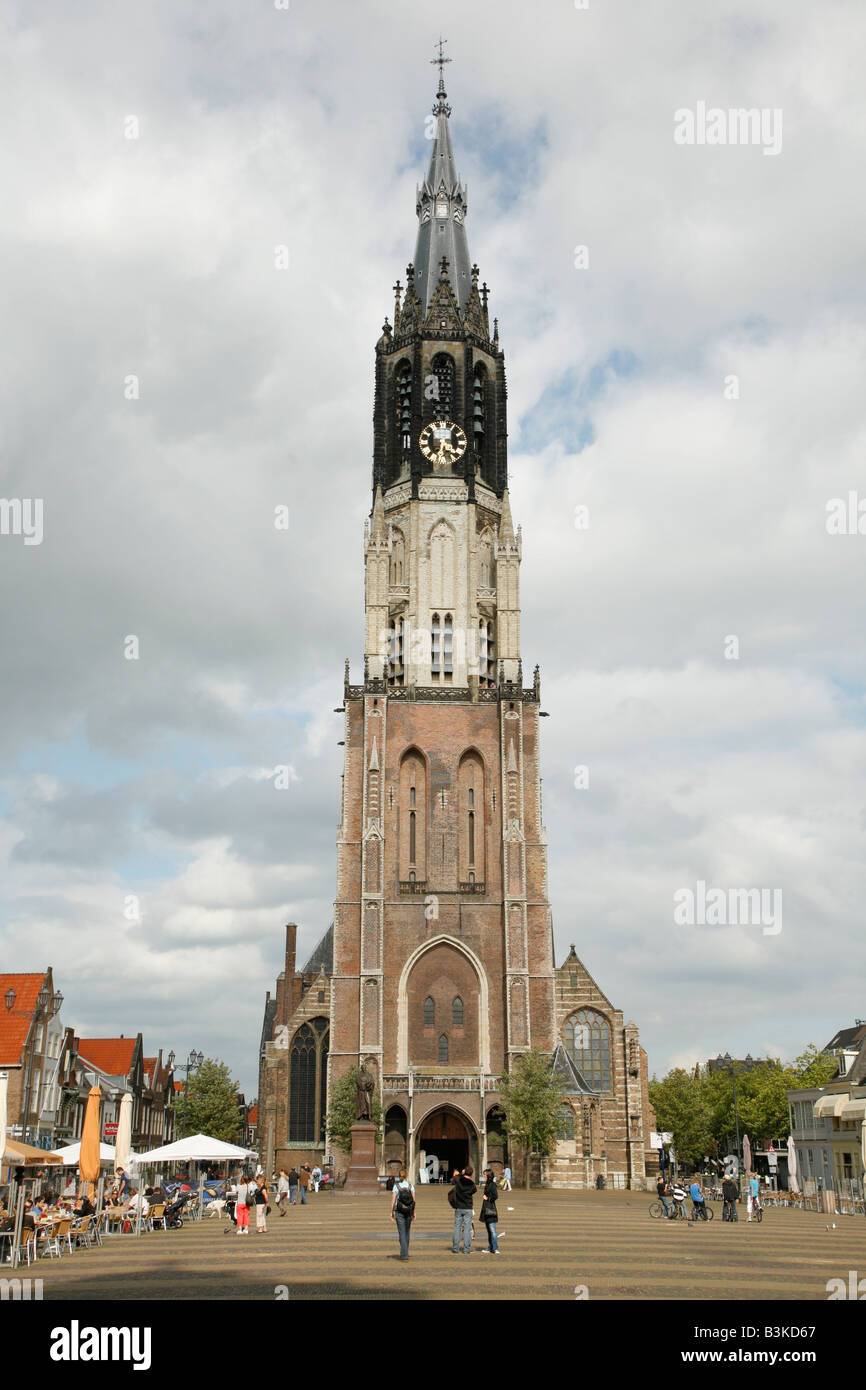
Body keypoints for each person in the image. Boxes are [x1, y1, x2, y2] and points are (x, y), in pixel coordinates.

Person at [390, 1166, 415, 1261]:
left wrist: (391, 1212)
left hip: (399, 1211)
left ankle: (404, 1255)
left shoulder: (396, 1186)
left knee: (402, 1233)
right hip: (409, 1211)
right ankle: (405, 1252)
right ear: (406, 1176)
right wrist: (414, 1212)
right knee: (407, 1232)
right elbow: (414, 1200)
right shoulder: (410, 1186)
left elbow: (393, 1200)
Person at [451, 1164, 476, 1254]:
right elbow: (474, 1190)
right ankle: (466, 1249)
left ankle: (455, 1248)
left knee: (457, 1227)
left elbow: (454, 1178)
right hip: (468, 1207)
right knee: (467, 1228)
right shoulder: (472, 1184)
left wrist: (461, 1174)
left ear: (464, 1172)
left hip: (459, 1206)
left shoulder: (459, 1181)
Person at [479, 1169, 501, 1254]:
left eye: (485, 1175)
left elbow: (495, 1196)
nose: (484, 1176)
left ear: (488, 1175)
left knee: (492, 1230)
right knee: (489, 1230)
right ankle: (490, 1247)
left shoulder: (492, 1185)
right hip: (486, 1208)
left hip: (490, 1209)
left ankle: (495, 1248)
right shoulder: (487, 1184)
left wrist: (488, 1198)